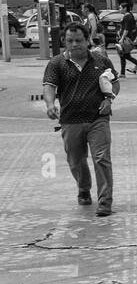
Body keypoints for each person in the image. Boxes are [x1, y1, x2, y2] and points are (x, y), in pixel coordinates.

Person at [42, 23, 120, 217]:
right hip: (70, 120)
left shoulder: (101, 62)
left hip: (97, 119)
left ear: (87, 40)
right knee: (76, 161)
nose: (74, 44)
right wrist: (50, 104)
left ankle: (105, 202)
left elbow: (115, 83)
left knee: (101, 158)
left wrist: (109, 99)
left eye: (78, 40)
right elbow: (49, 85)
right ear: (64, 42)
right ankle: (84, 188)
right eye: (70, 41)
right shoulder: (57, 63)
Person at [117, 2, 137, 75]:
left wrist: (122, 38)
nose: (119, 9)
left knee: (124, 55)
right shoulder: (128, 15)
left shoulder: (127, 16)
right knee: (124, 55)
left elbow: (126, 29)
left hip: (126, 39)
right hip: (126, 38)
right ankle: (122, 73)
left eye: (120, 8)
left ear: (125, 8)